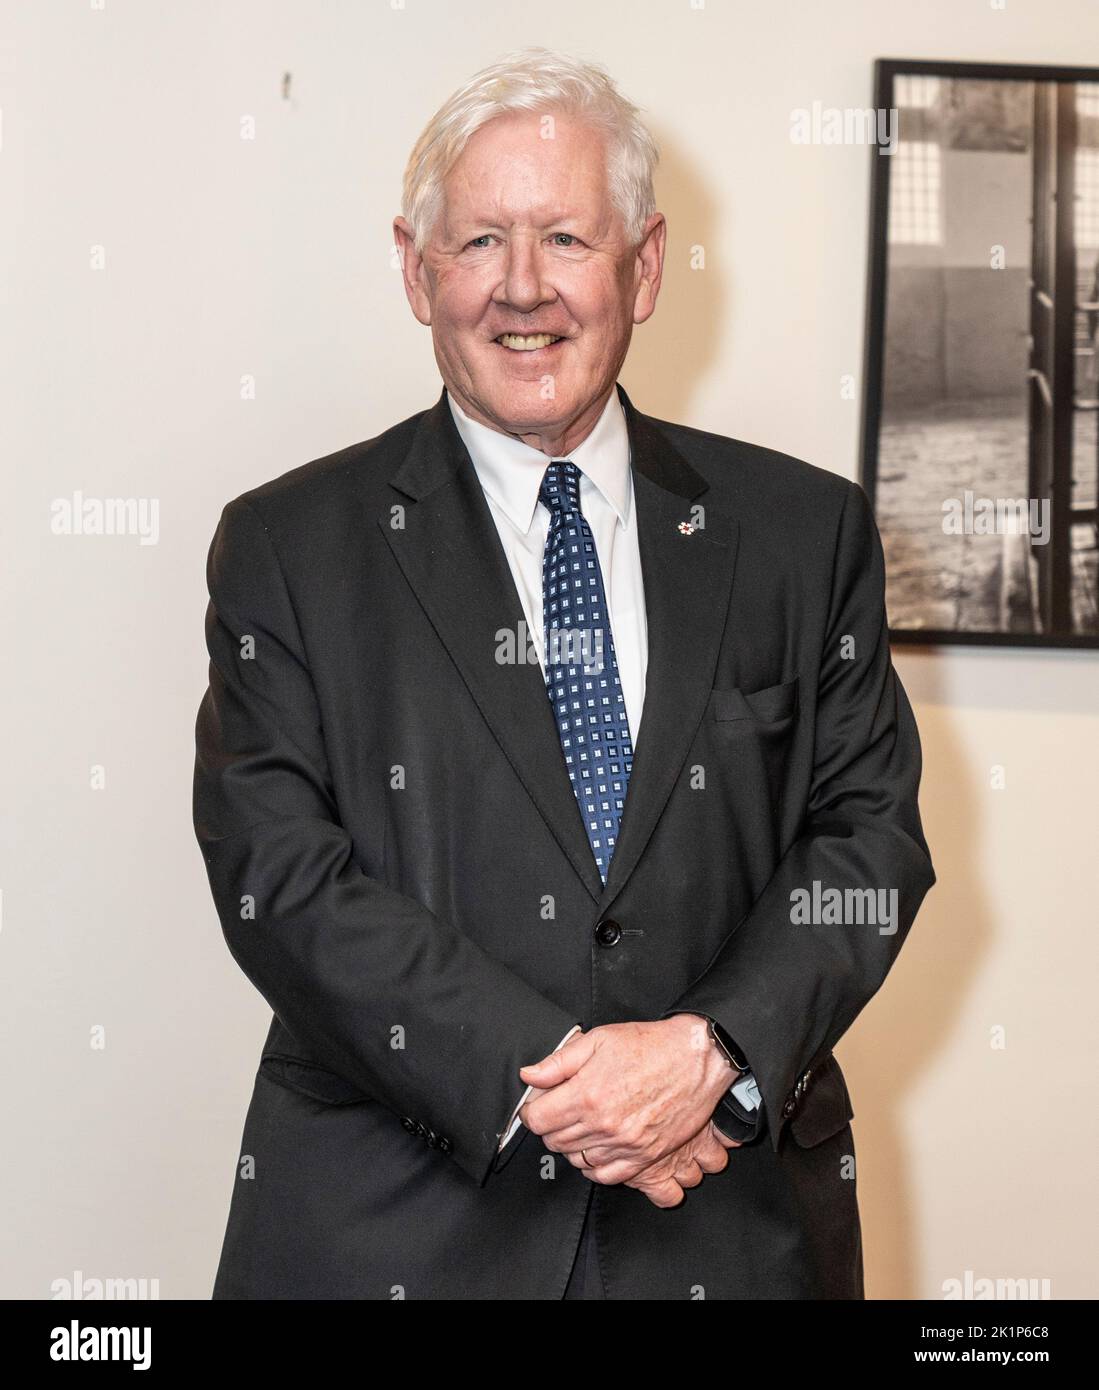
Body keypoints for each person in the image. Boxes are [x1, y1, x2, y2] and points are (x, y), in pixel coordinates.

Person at [193, 47, 935, 1300]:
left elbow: (866, 843)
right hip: (394, 1231)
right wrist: (569, 1086)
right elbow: (280, 875)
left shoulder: (805, 535)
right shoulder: (286, 547)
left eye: (565, 241)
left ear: (643, 267)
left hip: (726, 1221)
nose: (522, 290)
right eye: (479, 241)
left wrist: (708, 1053)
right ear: (415, 266)